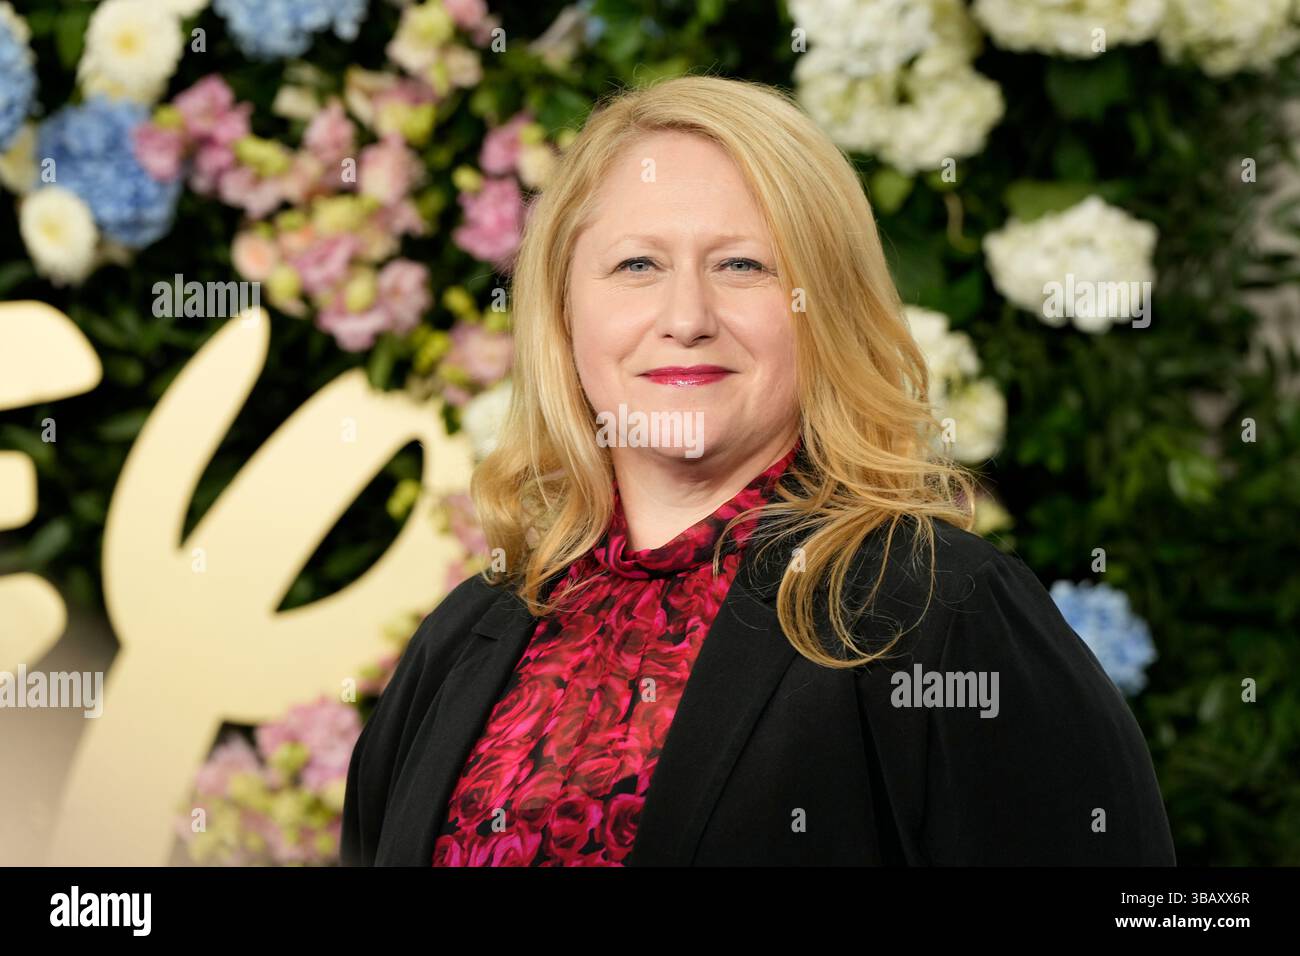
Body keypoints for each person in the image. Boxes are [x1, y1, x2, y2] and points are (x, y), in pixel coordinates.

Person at [340, 74, 1177, 867]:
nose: (687, 318)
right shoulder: (470, 632)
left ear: (827, 308)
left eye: (743, 265)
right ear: (563, 310)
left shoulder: (939, 611)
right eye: (638, 265)